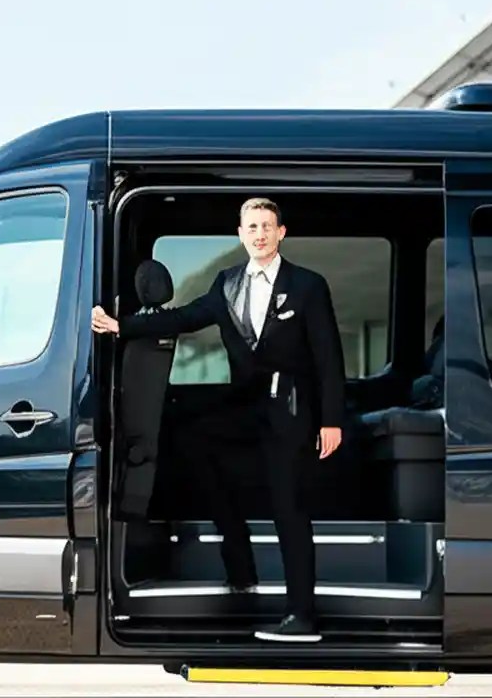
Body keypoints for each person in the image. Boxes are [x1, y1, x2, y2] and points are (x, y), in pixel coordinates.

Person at [92, 197, 345, 642]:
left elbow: (328, 357)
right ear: (240, 234)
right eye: (252, 227)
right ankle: (240, 564)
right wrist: (120, 326)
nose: (260, 234)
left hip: (290, 410)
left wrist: (331, 420)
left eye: (268, 226)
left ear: (281, 233)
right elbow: (185, 317)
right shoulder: (226, 284)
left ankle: (302, 616)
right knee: (192, 440)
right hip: (245, 406)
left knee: (289, 507)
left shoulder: (308, 285)